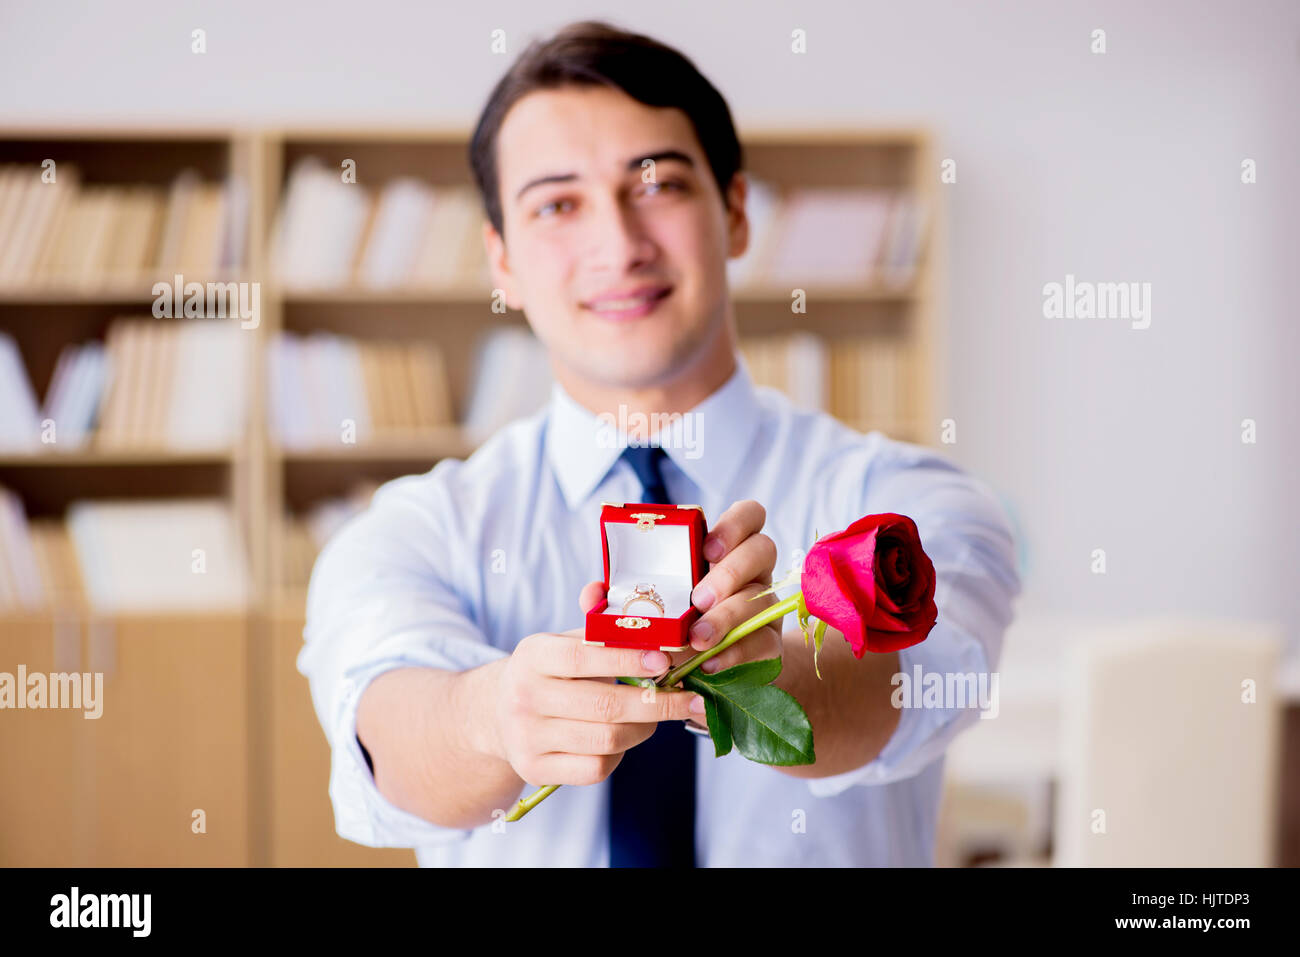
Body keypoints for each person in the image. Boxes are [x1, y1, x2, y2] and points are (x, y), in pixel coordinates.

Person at [298, 20, 1020, 867]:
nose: (619, 244)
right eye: (558, 204)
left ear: (736, 212)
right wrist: (494, 717)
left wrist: (767, 670)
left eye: (658, 184)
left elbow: (925, 687)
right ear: (502, 263)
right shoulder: (412, 529)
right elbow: (387, 733)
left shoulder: (911, 502)